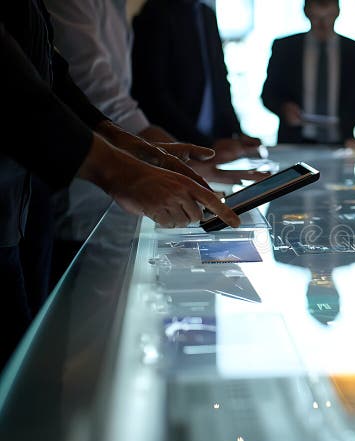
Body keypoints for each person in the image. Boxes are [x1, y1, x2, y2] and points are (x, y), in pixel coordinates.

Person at [0, 0, 240, 368]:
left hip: (20, 203)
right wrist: (121, 171)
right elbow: (14, 80)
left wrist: (125, 143)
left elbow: (49, 72)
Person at [43, 0, 266, 255]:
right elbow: (98, 92)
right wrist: (133, 166)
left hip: (104, 187)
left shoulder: (118, 8)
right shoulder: (148, 12)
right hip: (75, 189)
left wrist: (163, 156)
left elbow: (76, 90)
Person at [131, 0, 262, 158]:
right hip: (174, 144)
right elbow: (153, 94)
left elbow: (219, 79)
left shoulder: (207, 13)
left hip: (213, 141)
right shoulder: (156, 13)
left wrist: (237, 132)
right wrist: (205, 143)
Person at [260, 0, 355, 149]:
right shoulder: (285, 48)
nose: (323, 24)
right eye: (316, 17)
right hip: (294, 143)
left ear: (337, 12)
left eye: (328, 17)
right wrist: (284, 108)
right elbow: (268, 94)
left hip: (343, 145)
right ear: (306, 12)